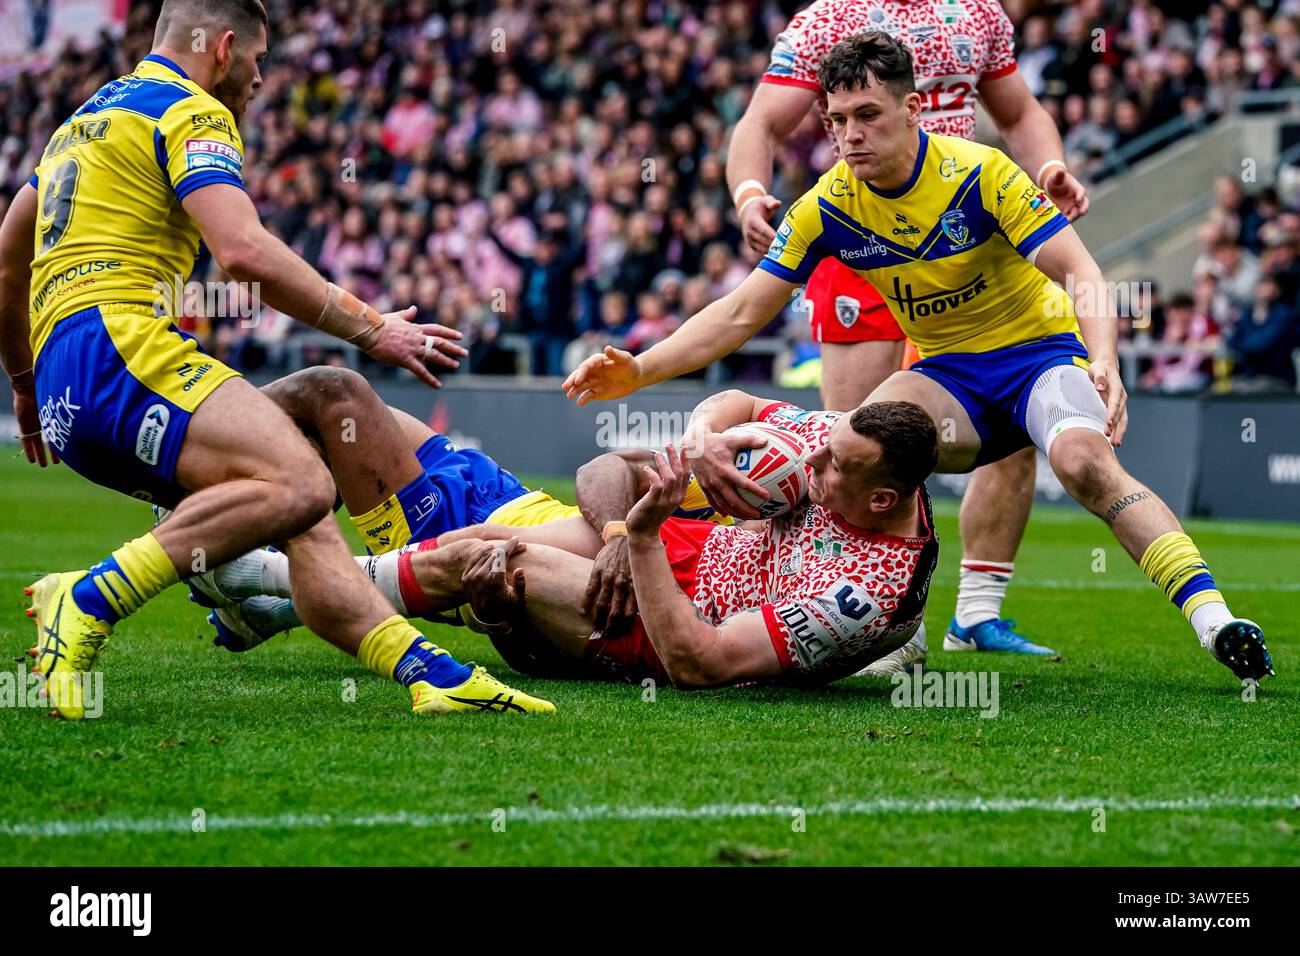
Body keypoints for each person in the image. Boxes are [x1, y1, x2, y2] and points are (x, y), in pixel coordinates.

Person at [564, 32, 1273, 685]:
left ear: (913, 108)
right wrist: (641, 369)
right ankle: (894, 629)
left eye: (866, 115)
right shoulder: (828, 206)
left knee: (1085, 464)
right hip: (949, 380)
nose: (849, 135)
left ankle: (1215, 622)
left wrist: (1106, 359)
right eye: (835, 120)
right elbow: (743, 310)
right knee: (862, 445)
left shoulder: (981, 173)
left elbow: (1083, 270)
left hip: (1040, 357)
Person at [0, 0, 552, 717]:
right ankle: (87, 596)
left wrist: (23, 385)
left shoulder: (81, 126)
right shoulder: (190, 110)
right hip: (121, 345)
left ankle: (425, 673)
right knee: (301, 481)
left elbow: (10, 264)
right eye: (258, 61)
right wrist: (371, 327)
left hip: (68, 384)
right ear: (224, 48)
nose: (260, 79)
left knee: (296, 507)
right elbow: (244, 253)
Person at [726, 0, 1091, 670]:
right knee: (859, 437)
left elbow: (1019, 114)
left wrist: (1049, 168)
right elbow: (761, 122)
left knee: (1011, 417)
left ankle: (978, 612)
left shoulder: (977, 13)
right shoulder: (827, 19)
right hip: (861, 237)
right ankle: (888, 621)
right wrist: (751, 192)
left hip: (966, 236)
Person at [213, 392, 943, 689]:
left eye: (829, 465)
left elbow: (698, 661)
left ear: (883, 499)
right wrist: (706, 439)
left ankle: (270, 574)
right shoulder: (843, 445)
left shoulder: (862, 595)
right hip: (696, 548)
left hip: (673, 625)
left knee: (494, 556)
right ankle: (285, 597)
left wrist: (644, 542)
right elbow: (740, 406)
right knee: (494, 535)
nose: (809, 458)